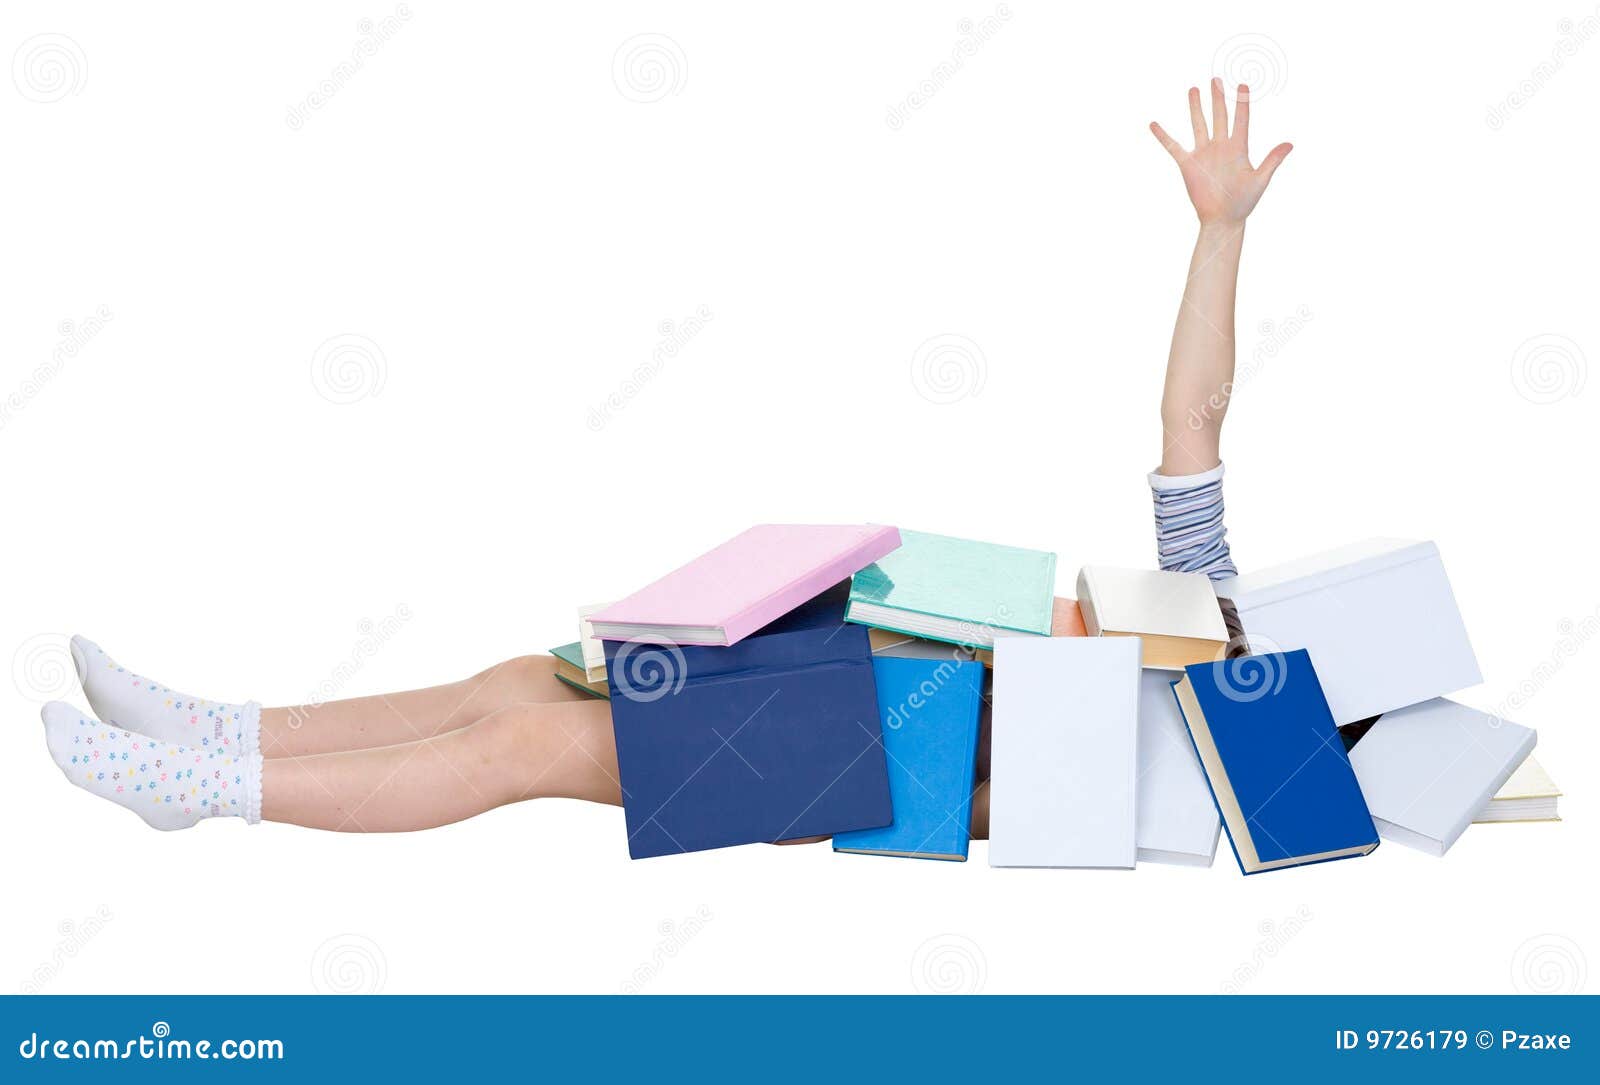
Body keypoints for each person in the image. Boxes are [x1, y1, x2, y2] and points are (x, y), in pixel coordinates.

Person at [39, 80, 1290, 835]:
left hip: (859, 741)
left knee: (522, 751)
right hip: (841, 654)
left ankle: (213, 789)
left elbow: (1007, 810)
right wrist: (1220, 232)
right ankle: (233, 735)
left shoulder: (1224, 765)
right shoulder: (1218, 609)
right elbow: (1194, 421)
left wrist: (892, 793)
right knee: (519, 681)